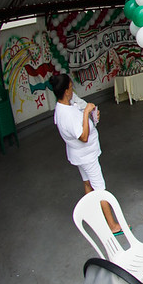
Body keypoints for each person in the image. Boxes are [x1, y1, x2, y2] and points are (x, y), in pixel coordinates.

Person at [51, 74, 121, 233]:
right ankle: (113, 226)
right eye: (71, 87)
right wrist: (86, 113)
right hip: (86, 156)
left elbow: (79, 118)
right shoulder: (66, 114)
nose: (72, 89)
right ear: (66, 90)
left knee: (87, 183)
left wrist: (90, 115)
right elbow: (83, 136)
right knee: (100, 188)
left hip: (79, 155)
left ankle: (92, 214)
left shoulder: (63, 107)